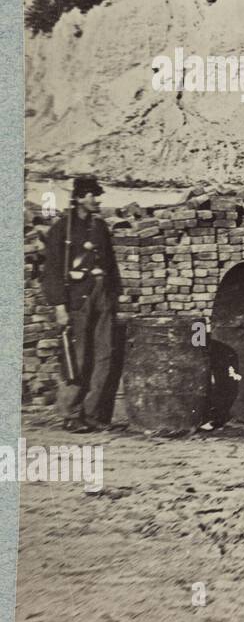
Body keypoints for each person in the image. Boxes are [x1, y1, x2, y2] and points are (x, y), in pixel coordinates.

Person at [41, 175, 122, 432]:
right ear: (78, 198)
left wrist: (115, 295)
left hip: (102, 297)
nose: (97, 200)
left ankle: (92, 413)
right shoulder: (62, 230)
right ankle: (70, 414)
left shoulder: (99, 227)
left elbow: (110, 264)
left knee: (105, 354)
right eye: (92, 195)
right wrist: (59, 306)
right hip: (77, 298)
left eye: (97, 195)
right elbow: (52, 269)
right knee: (76, 357)